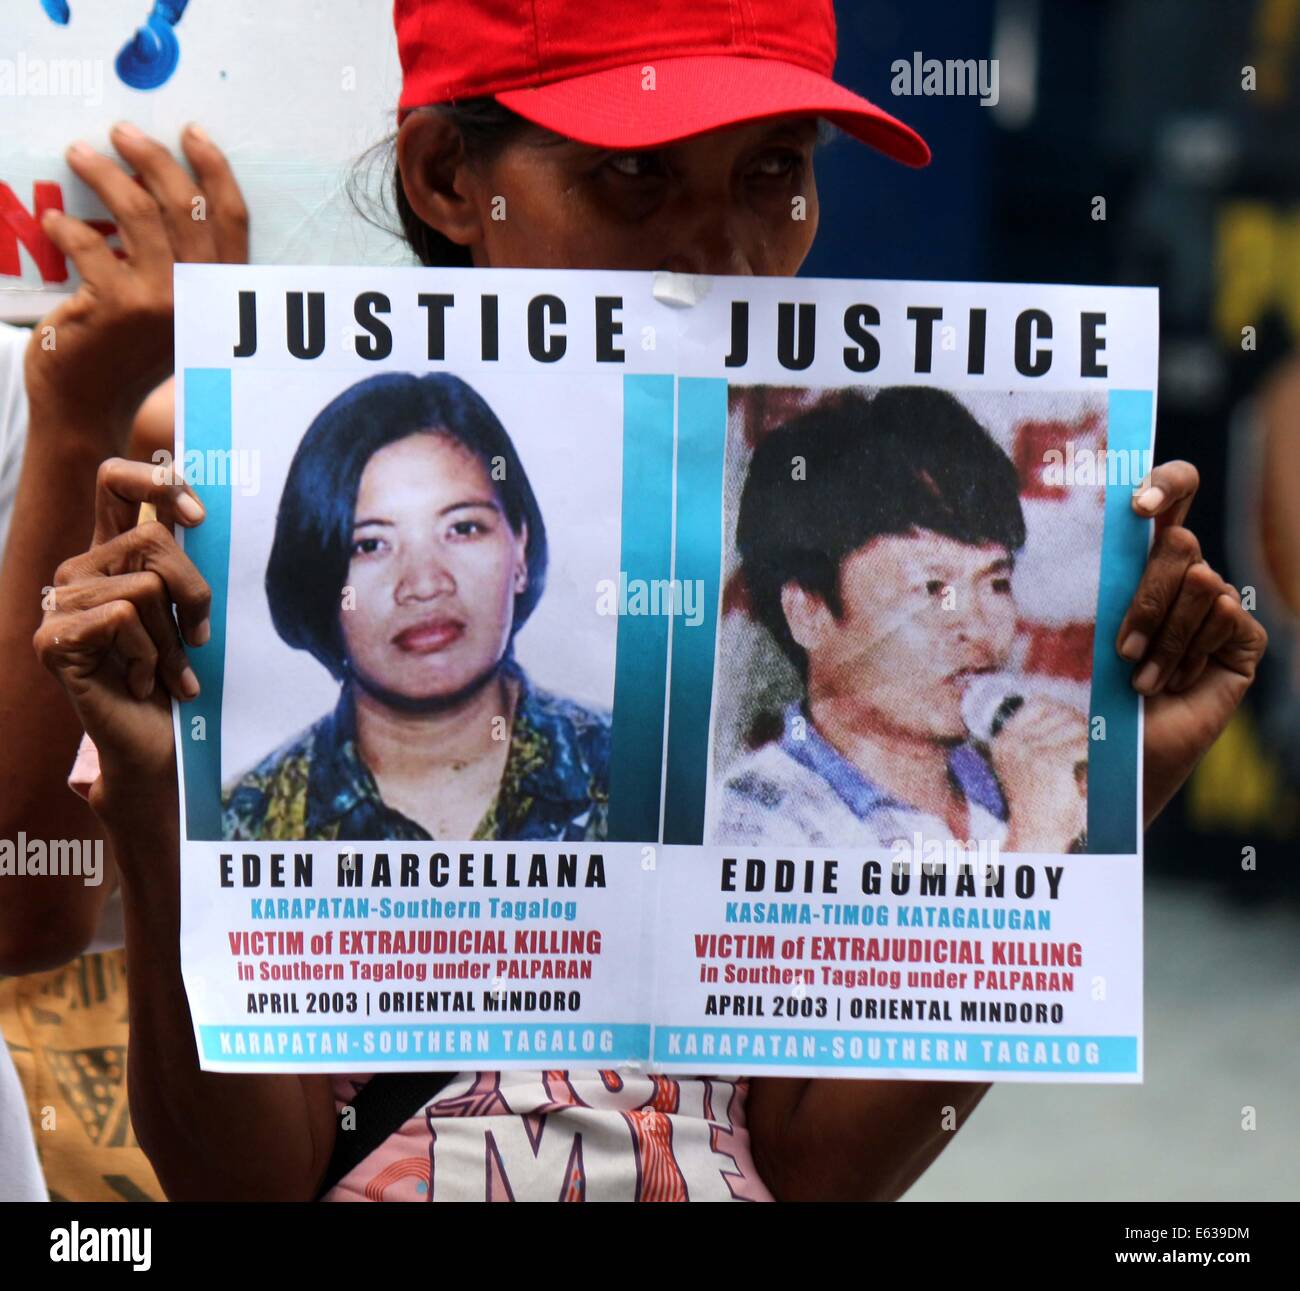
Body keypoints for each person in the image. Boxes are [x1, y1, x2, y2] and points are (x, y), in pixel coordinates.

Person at [35, 0, 1267, 1202]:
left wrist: (1110, 790)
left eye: (773, 171)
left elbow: (821, 1170)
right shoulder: (229, 495)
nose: (720, 250)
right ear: (446, 176)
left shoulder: (734, 743)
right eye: (635, 176)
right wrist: (154, 794)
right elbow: (236, 1181)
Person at [222, 372, 609, 842]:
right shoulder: (245, 823)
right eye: (370, 545)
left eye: (463, 529)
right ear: (319, 580)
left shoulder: (637, 775)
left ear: (520, 551)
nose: (425, 585)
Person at [714, 385, 1088, 854]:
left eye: (995, 583)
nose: (975, 625)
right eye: (932, 589)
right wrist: (1037, 837)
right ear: (807, 612)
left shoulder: (1011, 781)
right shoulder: (759, 819)